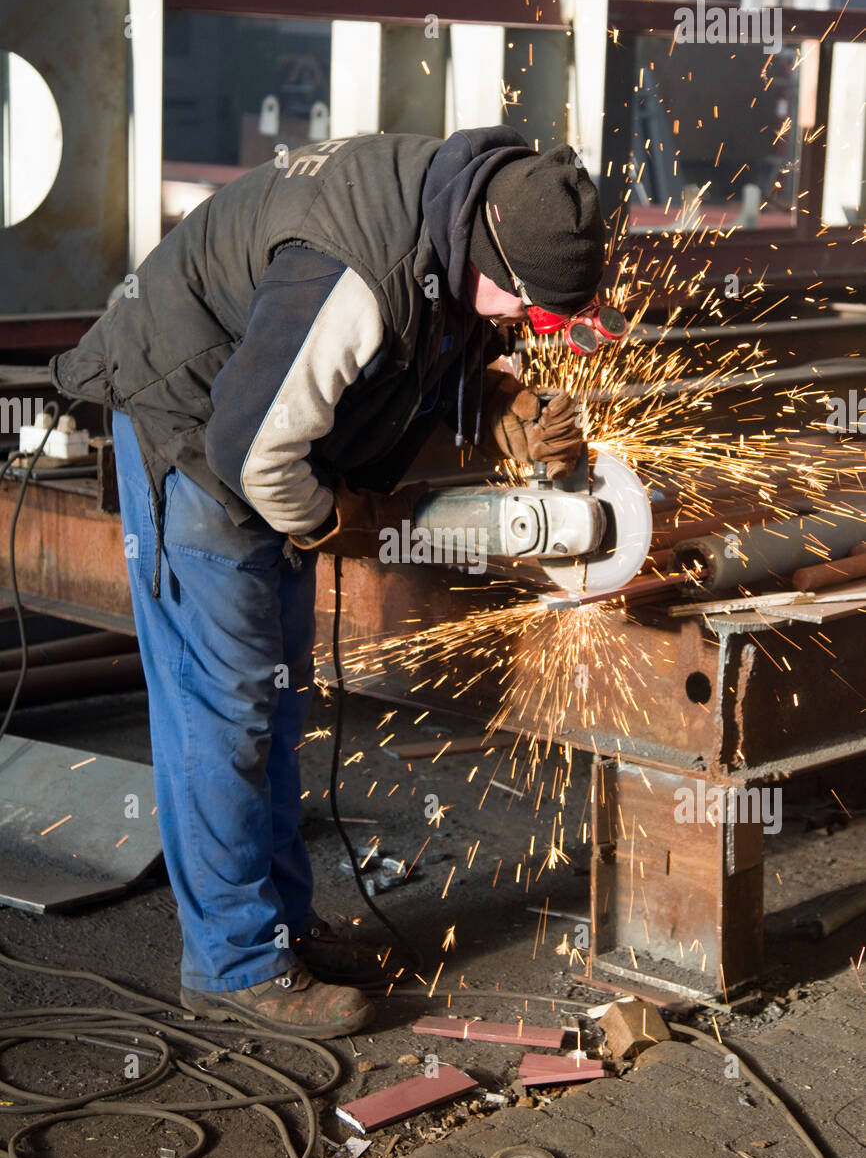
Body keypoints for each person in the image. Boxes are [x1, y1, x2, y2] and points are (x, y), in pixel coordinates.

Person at [50, 127, 605, 1038]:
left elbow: (439, 327)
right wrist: (327, 519)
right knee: (224, 708)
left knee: (277, 695)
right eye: (523, 307)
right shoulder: (350, 275)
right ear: (487, 245)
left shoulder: (461, 207)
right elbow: (252, 450)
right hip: (195, 432)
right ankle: (233, 964)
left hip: (264, 421)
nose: (517, 323)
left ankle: (283, 925)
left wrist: (493, 397)